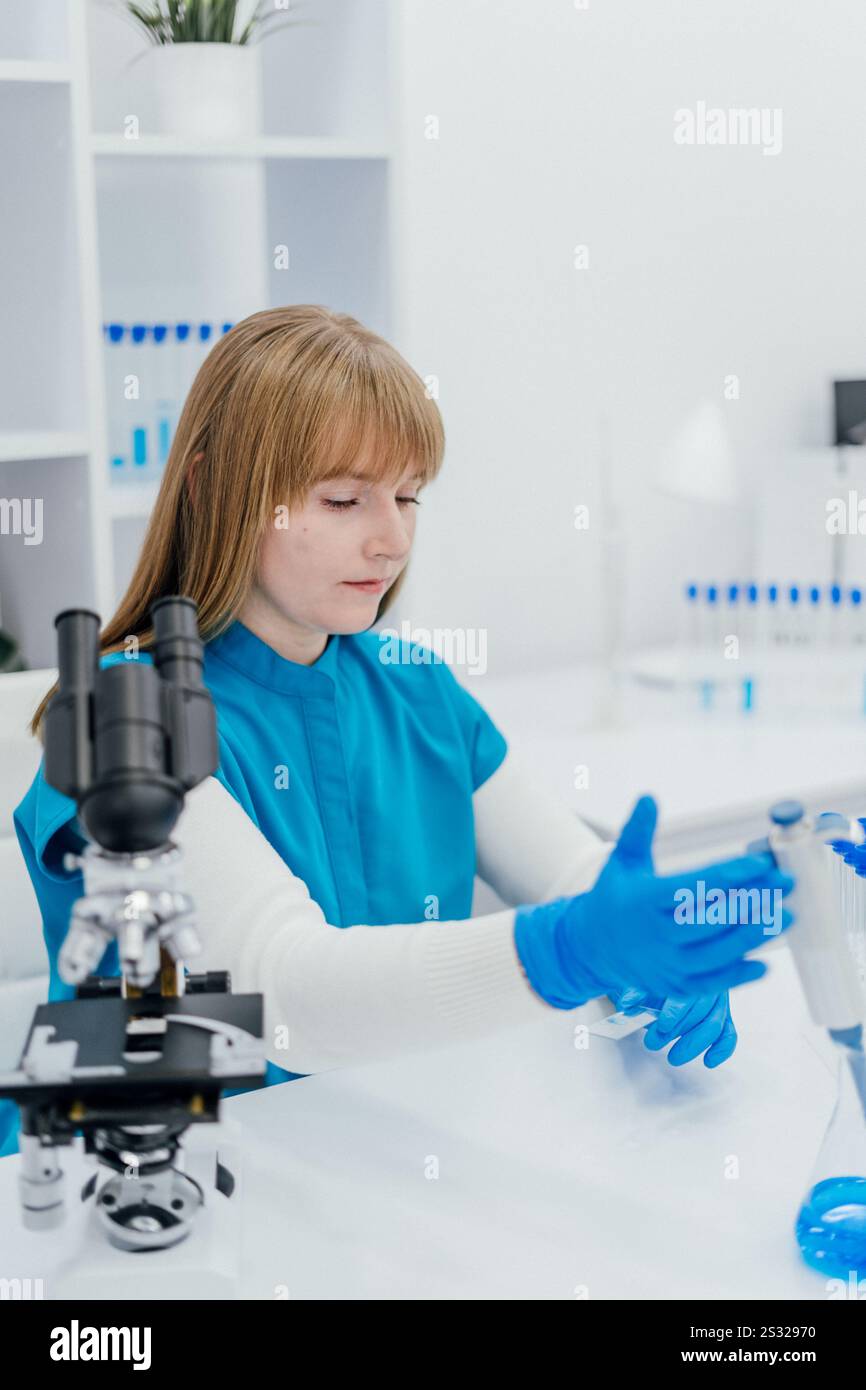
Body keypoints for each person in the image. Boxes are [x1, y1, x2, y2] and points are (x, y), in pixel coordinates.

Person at [0, 306, 792, 1158]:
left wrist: (653, 936)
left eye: (409, 496)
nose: (391, 538)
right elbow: (281, 992)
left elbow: (568, 870)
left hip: (386, 1151)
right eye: (343, 498)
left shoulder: (416, 686)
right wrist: (567, 951)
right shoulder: (129, 719)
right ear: (212, 488)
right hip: (164, 1181)